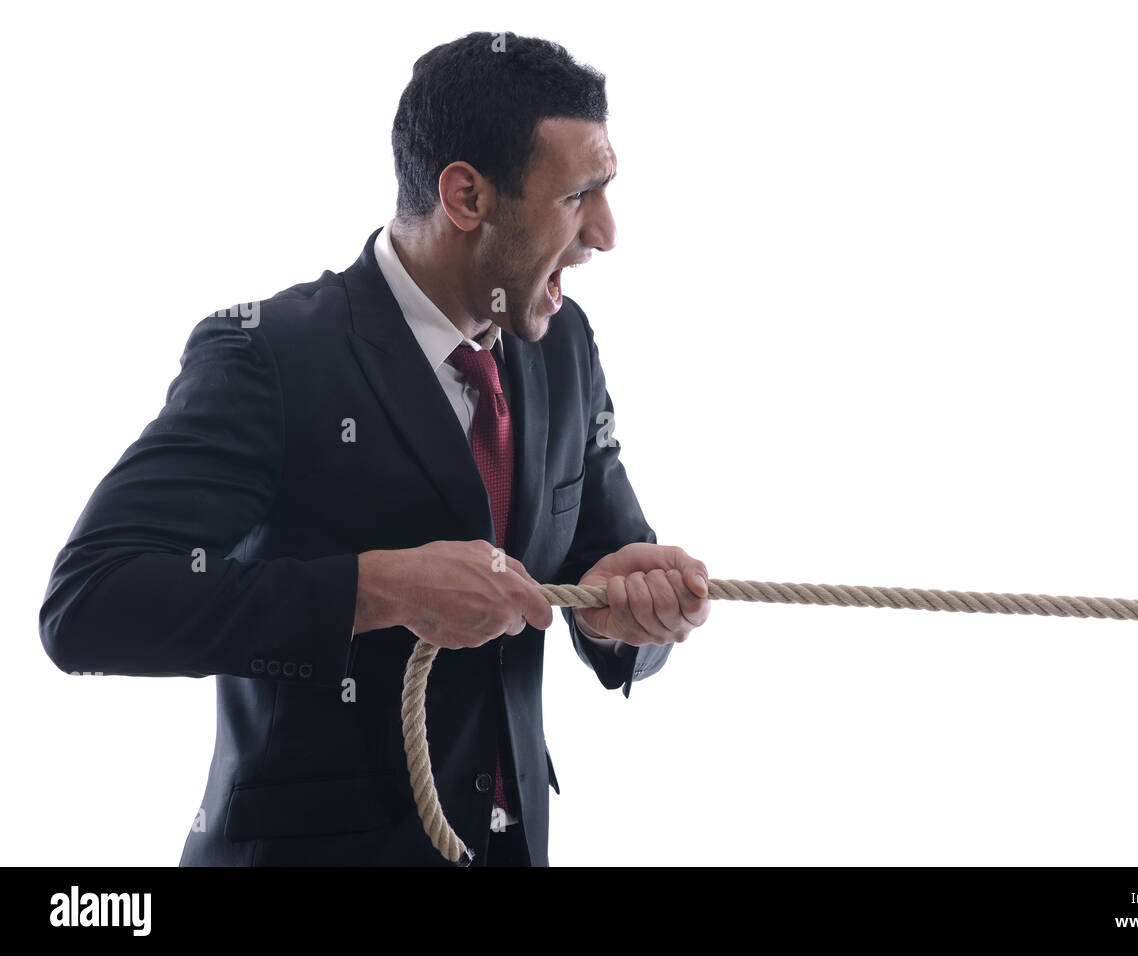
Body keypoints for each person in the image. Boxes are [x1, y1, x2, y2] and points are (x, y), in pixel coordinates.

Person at [38, 31, 711, 867]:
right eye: (579, 196)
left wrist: (625, 626)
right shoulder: (271, 356)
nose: (606, 232)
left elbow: (603, 562)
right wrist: (376, 588)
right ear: (466, 196)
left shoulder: (562, 341)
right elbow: (88, 604)